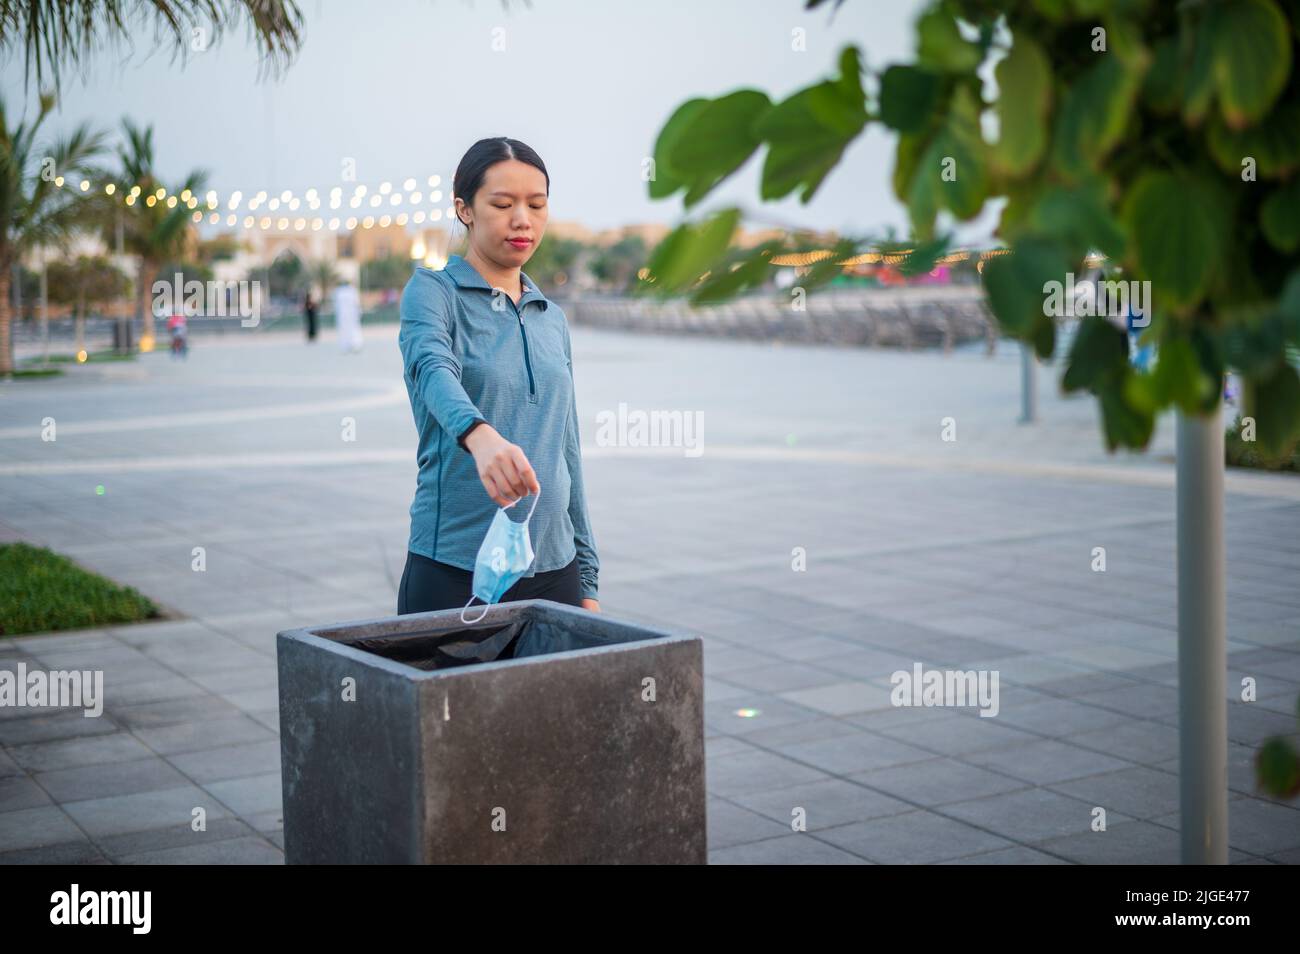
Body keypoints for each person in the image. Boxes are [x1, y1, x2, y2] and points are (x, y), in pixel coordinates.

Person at [395, 136, 600, 616]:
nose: (522, 219)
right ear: (464, 209)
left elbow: (567, 448)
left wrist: (586, 575)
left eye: (537, 204)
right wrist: (481, 437)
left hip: (555, 570)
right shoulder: (433, 293)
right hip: (456, 567)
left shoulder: (551, 316)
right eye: (503, 204)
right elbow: (431, 369)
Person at [333, 278, 363, 352]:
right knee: (349, 330)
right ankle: (349, 346)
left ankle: (354, 345)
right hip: (347, 315)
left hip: (349, 315)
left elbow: (356, 303)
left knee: (352, 329)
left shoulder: (342, 291)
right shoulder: (341, 291)